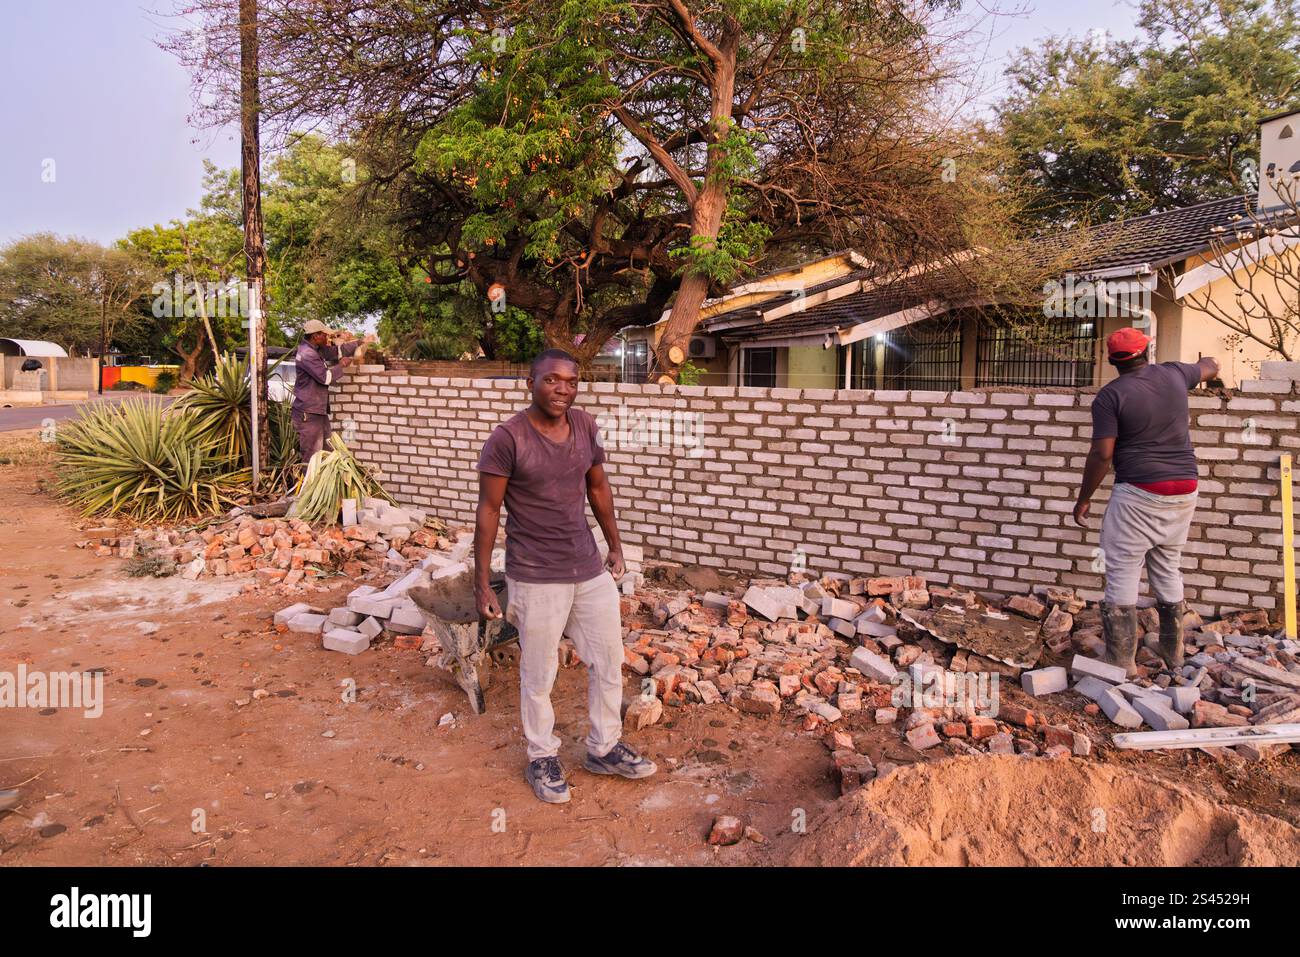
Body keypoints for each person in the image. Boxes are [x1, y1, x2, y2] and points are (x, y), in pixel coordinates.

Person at [474, 348, 656, 804]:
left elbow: (598, 487)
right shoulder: (507, 439)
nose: (563, 389)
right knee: (540, 674)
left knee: (608, 660)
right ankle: (541, 756)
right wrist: (481, 581)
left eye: (571, 382)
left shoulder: (585, 426)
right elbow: (489, 510)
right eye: (552, 380)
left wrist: (614, 544)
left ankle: (604, 747)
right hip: (535, 574)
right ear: (530, 383)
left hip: (587, 566)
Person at [1073, 326, 1220, 676]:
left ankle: (1121, 658)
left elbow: (1101, 454)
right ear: (1147, 351)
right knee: (1168, 563)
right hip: (1185, 487)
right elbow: (1211, 363)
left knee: (1123, 567)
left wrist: (1083, 499)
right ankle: (1172, 649)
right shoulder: (1174, 374)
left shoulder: (1111, 397)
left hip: (1139, 490)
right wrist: (1211, 373)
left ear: (1112, 361)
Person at [291, 320, 374, 462]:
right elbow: (325, 378)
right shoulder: (307, 354)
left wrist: (360, 341)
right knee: (312, 457)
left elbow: (338, 351)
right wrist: (341, 365)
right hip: (309, 413)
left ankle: (321, 481)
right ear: (315, 335)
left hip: (317, 410)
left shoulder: (316, 348)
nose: (327, 338)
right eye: (324, 335)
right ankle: (309, 483)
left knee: (326, 451)